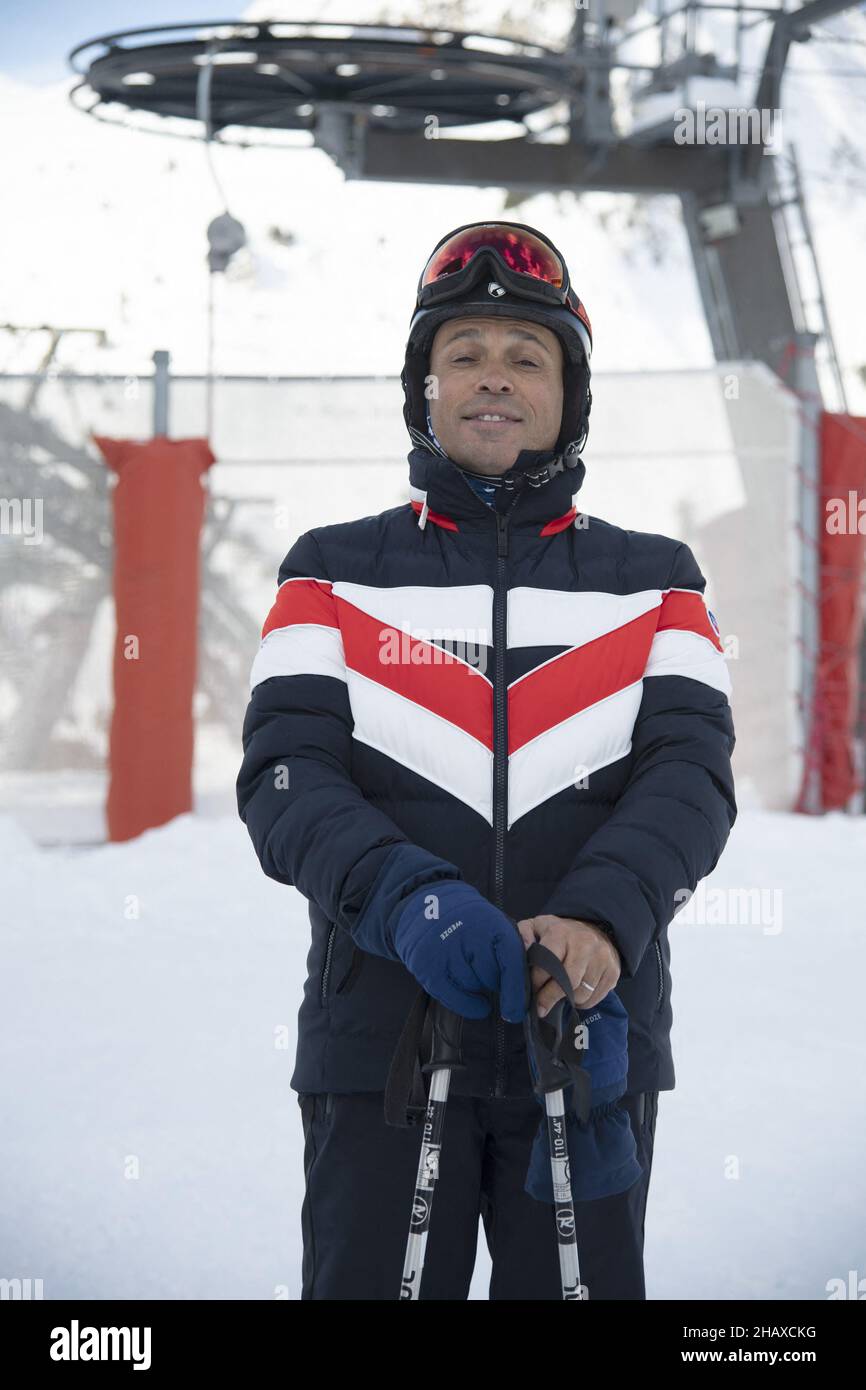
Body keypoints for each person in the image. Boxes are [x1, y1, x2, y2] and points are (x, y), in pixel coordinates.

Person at [236, 221, 737, 1300]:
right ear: (423, 386)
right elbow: (285, 777)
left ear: (570, 393)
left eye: (526, 356)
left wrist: (603, 918)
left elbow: (688, 779)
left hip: (586, 1044)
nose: (491, 379)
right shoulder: (326, 573)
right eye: (461, 353)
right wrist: (407, 898)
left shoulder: (657, 586)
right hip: (381, 1049)